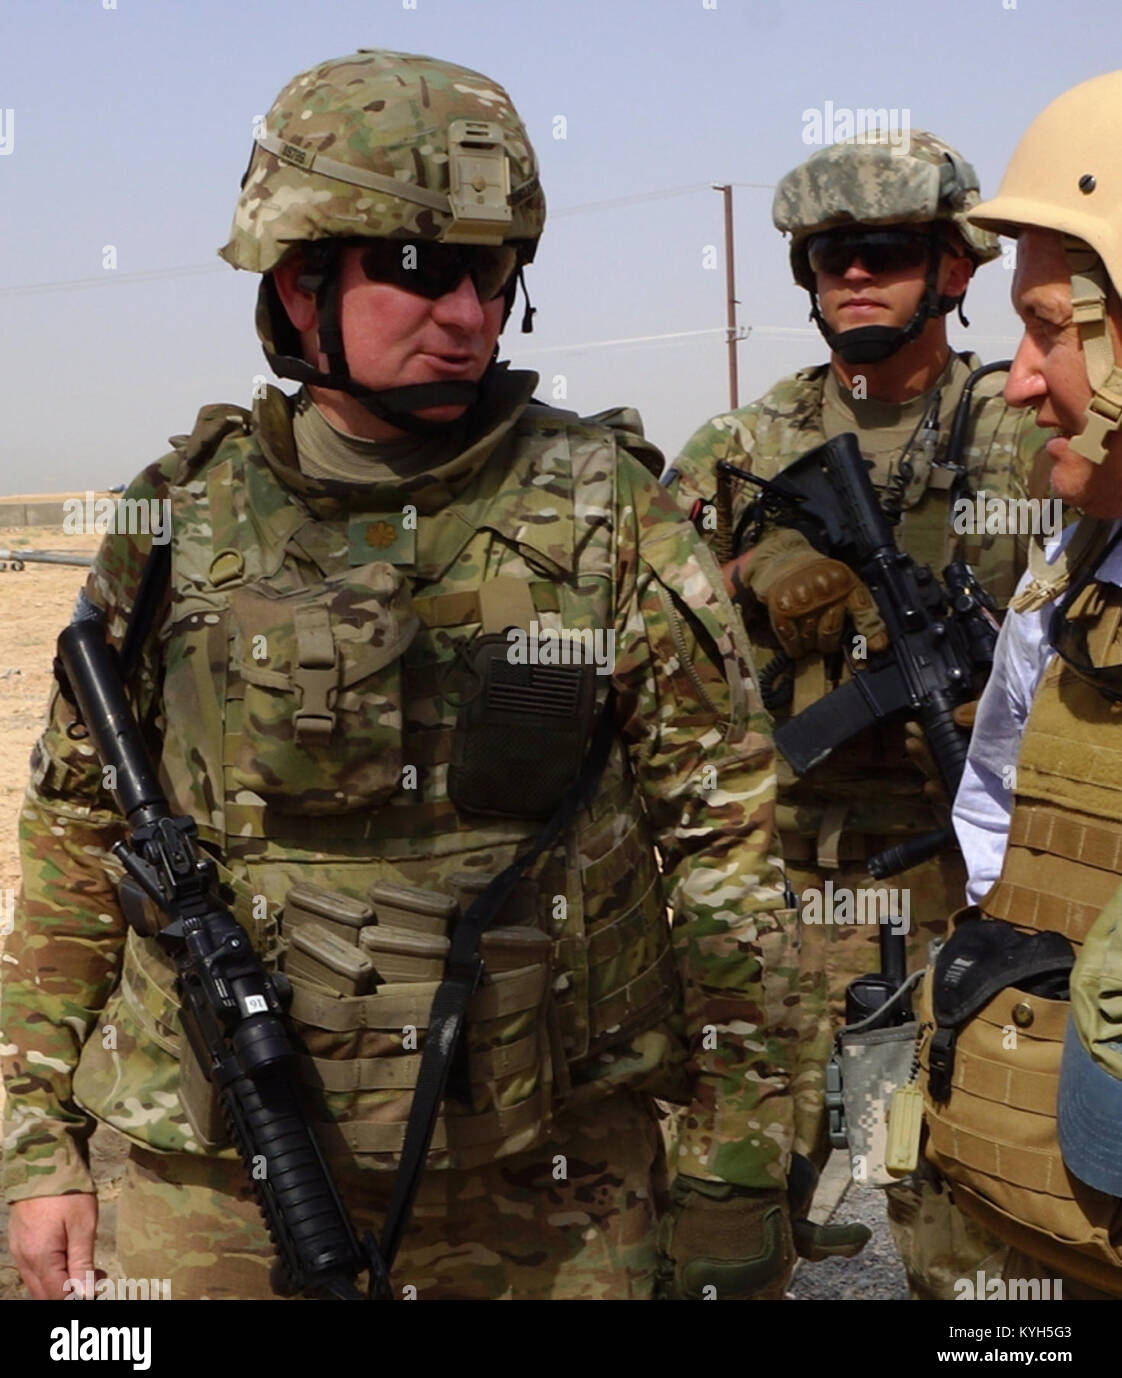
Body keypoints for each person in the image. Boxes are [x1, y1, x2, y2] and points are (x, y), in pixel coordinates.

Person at [0, 47, 835, 1303]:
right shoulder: (174, 520)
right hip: (221, 1173)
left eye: (495, 272)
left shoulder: (608, 511)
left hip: (552, 1176)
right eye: (419, 270)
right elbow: (77, 833)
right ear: (296, 280)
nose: (470, 314)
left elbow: (728, 851)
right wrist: (31, 1142)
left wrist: (732, 1165)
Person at [666, 130, 1051, 1299]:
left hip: (977, 885)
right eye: (829, 257)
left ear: (955, 268)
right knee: (726, 1220)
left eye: (883, 250)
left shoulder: (1028, 431)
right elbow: (636, 608)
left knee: (978, 1224)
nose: (853, 276)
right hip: (788, 881)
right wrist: (754, 571)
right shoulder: (747, 447)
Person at [926, 68, 1122, 1300]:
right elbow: (998, 824)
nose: (1015, 379)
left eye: (1048, 325)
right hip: (1023, 1229)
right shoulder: (1076, 564)